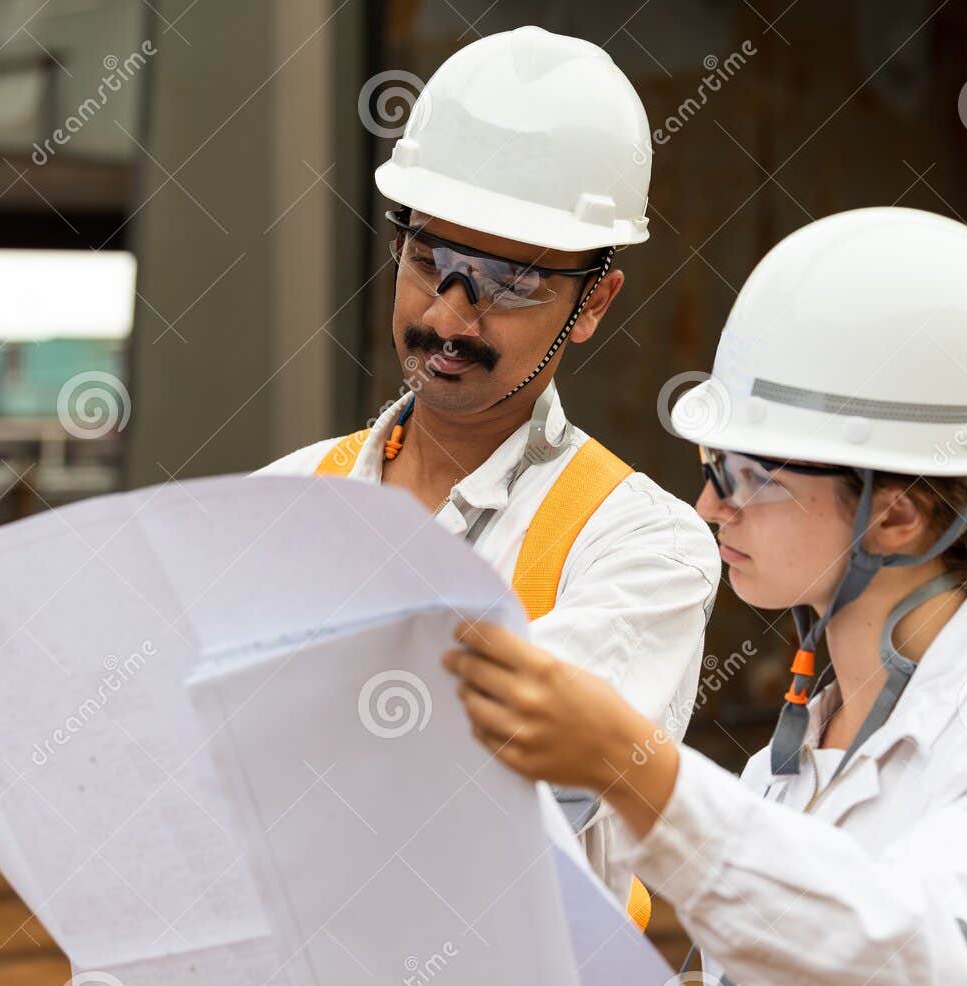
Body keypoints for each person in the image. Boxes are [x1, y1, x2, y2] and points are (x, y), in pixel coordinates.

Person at [443, 207, 967, 986]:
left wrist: (645, 776)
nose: (708, 507)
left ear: (895, 511)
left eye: (748, 476)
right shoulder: (787, 768)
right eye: (710, 470)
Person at [258, 27, 717, 895]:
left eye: (508, 283)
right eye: (432, 261)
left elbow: (495, 789)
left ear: (593, 303)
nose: (452, 320)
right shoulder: (280, 500)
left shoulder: (641, 549)